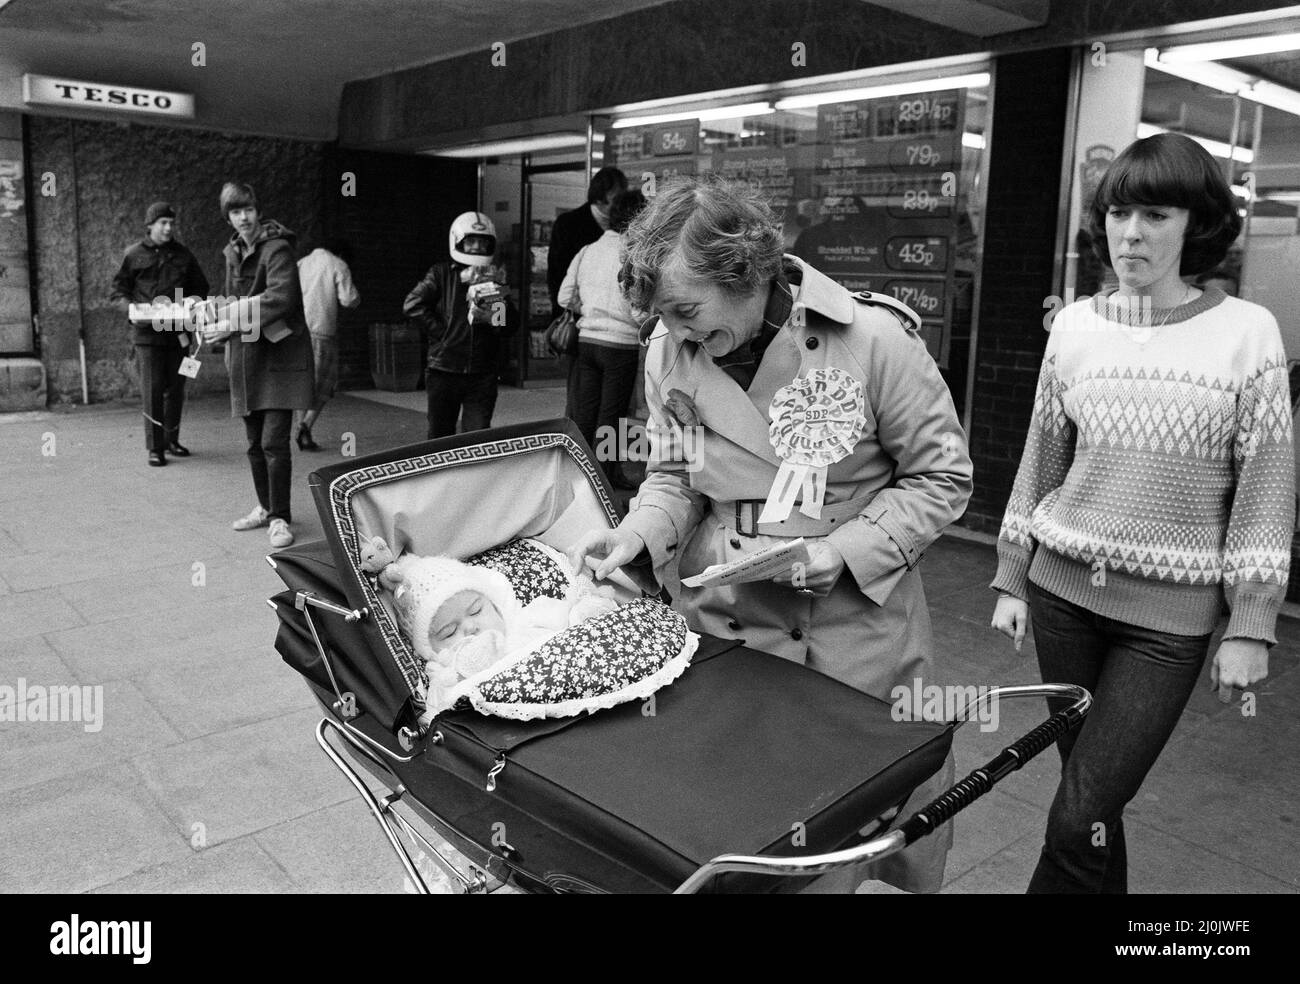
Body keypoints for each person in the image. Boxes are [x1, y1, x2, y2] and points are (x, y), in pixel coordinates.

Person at [567, 177, 973, 893]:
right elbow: (673, 478)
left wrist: (842, 551)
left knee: (843, 838)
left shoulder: (873, 340)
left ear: (746, 273)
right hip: (727, 630)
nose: (680, 332)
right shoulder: (668, 351)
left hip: (850, 637)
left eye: (687, 309)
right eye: (665, 316)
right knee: (736, 834)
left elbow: (942, 479)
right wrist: (638, 533)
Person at [989, 133, 1294, 894]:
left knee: (1079, 810)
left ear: (1197, 225)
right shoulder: (1076, 327)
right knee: (1093, 807)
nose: (1132, 233)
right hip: (1063, 598)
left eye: (1156, 214)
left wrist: (1251, 622)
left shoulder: (1248, 333)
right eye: (1120, 212)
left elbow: (1266, 487)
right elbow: (1042, 458)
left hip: (1168, 624)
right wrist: (1009, 575)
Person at [205, 182, 315, 549]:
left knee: (273, 442)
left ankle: (280, 517)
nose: (243, 217)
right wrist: (218, 326)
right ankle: (266, 508)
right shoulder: (231, 252)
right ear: (229, 218)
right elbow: (231, 301)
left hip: (279, 358)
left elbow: (281, 298)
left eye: (248, 209)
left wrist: (231, 316)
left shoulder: (278, 248)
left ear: (257, 209)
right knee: (254, 443)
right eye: (236, 212)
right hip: (247, 356)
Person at [558, 188, 647, 489]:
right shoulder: (634, 253)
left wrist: (591, 310)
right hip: (621, 345)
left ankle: (578, 476)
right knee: (613, 416)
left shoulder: (588, 250)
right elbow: (638, 309)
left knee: (585, 413)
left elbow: (564, 296)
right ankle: (606, 478)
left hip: (587, 343)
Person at [109, 201, 210, 467]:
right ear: (150, 226)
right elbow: (118, 292)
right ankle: (156, 447)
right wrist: (130, 308)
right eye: (162, 223)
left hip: (179, 334)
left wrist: (191, 303)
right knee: (152, 391)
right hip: (148, 336)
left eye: (171, 223)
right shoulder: (133, 255)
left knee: (176, 389)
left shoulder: (183, 255)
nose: (168, 228)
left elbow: (201, 288)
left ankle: (172, 439)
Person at [403, 212, 518, 439]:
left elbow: (510, 324)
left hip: (482, 372)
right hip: (444, 369)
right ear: (458, 241)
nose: (476, 247)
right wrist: (442, 333)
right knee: (439, 436)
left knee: (476, 440)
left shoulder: (494, 278)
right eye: (471, 241)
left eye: (482, 241)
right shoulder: (441, 273)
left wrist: (495, 316)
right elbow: (412, 305)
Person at [547, 166, 628, 418]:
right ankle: (591, 454)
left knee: (589, 407)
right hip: (587, 328)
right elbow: (556, 277)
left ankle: (588, 452)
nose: (619, 202)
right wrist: (572, 315)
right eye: (616, 197)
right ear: (601, 196)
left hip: (591, 329)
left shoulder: (607, 238)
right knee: (594, 405)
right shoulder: (570, 224)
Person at [294, 238, 361, 451]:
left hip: (298, 332)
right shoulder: (338, 265)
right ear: (341, 253)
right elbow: (349, 299)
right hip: (322, 332)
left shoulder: (301, 263)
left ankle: (301, 430)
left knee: (301, 383)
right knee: (324, 384)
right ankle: (305, 426)